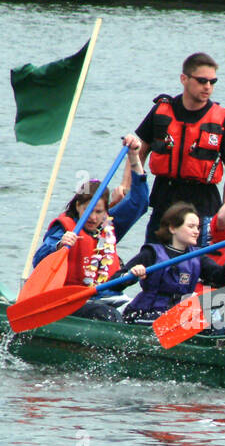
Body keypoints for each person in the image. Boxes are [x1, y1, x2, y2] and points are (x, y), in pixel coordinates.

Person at [30, 135, 150, 321]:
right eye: (88, 211)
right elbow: (38, 261)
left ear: (106, 211)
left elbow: (139, 202)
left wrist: (134, 156)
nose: (93, 217)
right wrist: (60, 246)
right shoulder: (64, 229)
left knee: (139, 313)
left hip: (106, 298)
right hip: (69, 300)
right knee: (107, 316)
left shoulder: (110, 225)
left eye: (99, 212)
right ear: (78, 207)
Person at [135, 52, 225, 246]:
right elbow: (139, 151)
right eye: (202, 81)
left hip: (203, 205)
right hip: (164, 200)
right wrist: (130, 187)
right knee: (154, 259)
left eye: (212, 82)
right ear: (184, 79)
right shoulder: (161, 111)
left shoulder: (222, 120)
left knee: (196, 266)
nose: (208, 87)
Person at [115, 203, 225, 323]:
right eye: (191, 226)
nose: (196, 231)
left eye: (198, 227)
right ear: (172, 228)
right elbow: (115, 282)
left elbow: (222, 279)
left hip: (178, 315)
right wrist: (131, 275)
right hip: (146, 313)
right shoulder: (151, 253)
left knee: (215, 325)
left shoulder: (197, 257)